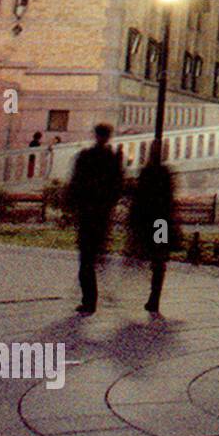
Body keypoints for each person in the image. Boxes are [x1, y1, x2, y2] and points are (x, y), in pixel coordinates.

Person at [66, 123, 123, 314]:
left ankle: (89, 299)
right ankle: (90, 297)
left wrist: (74, 205)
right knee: (92, 255)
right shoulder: (112, 159)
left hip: (88, 211)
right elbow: (117, 186)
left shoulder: (86, 156)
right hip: (101, 213)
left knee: (86, 257)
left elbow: (75, 183)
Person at [129, 145, 176, 315]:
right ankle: (154, 296)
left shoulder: (146, 172)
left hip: (147, 220)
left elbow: (138, 197)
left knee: (150, 255)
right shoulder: (165, 172)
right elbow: (170, 198)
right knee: (159, 260)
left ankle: (153, 296)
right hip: (161, 221)